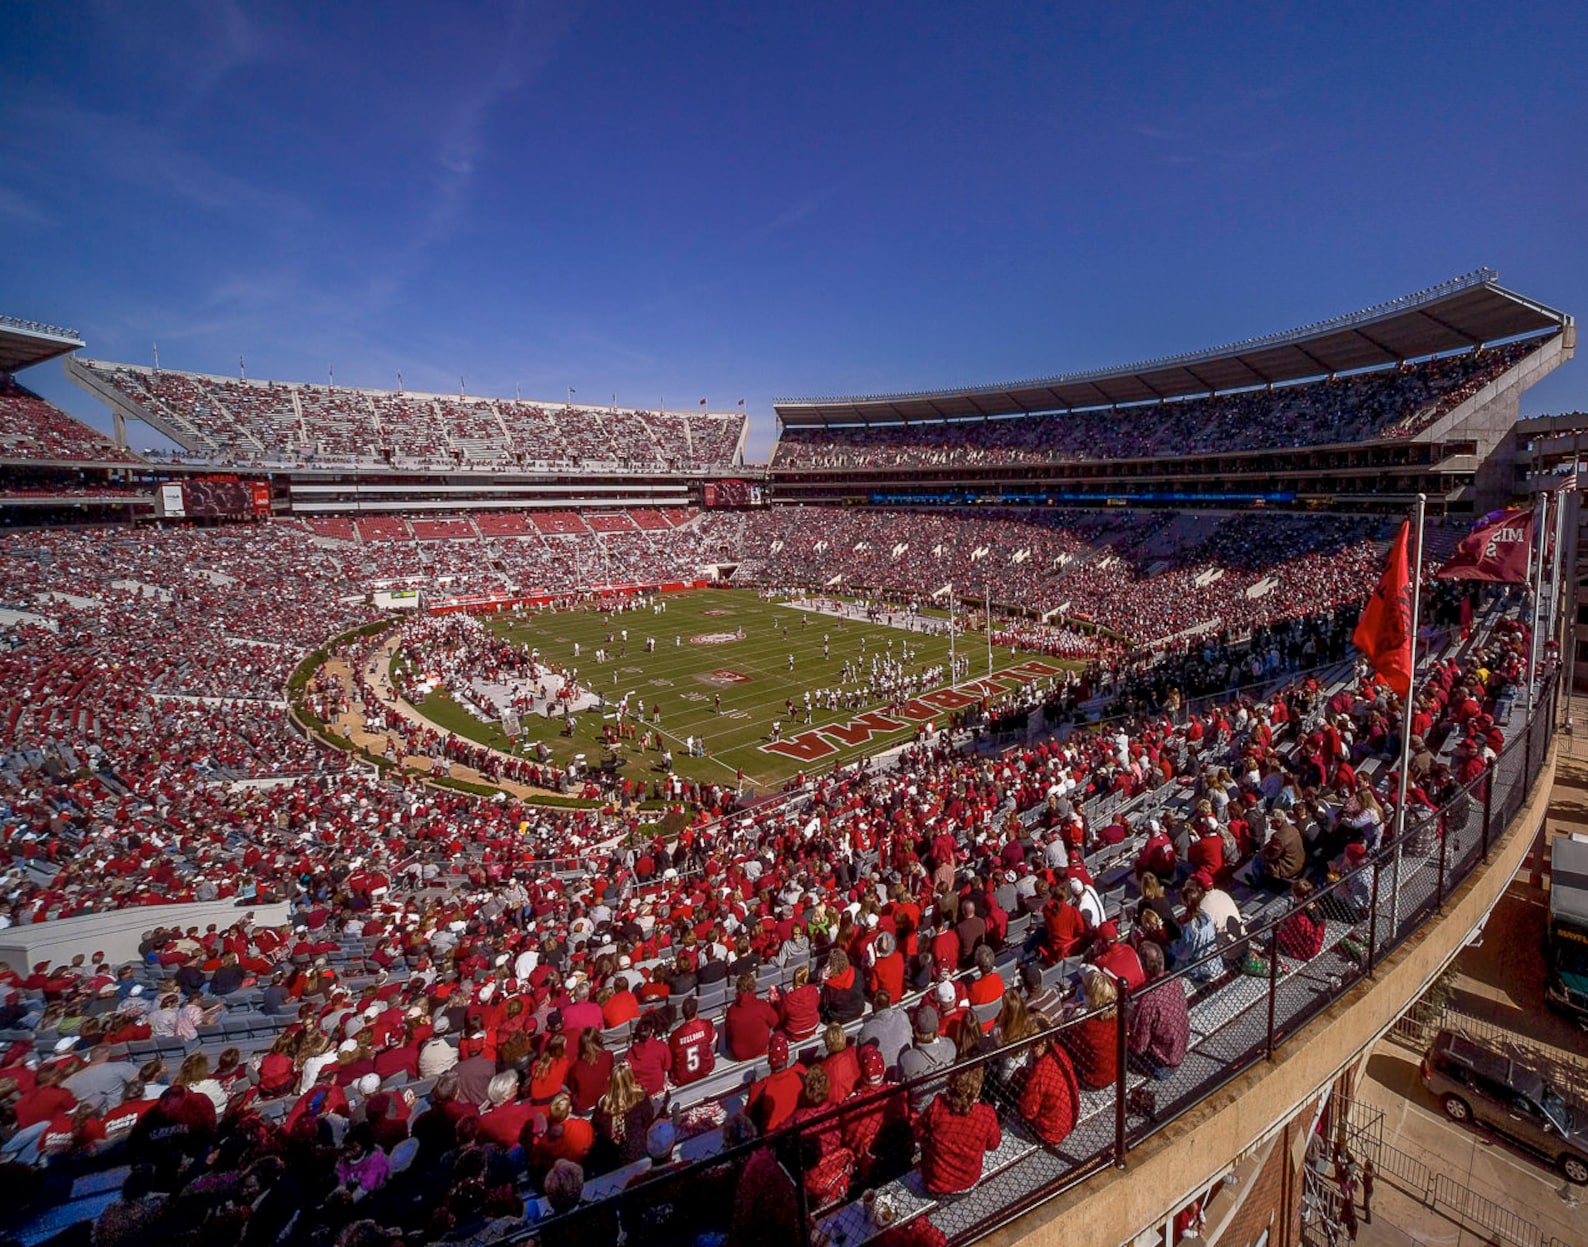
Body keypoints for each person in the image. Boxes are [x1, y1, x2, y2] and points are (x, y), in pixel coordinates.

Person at [918, 1066, 1001, 1197]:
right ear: (978, 1087)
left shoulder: (938, 1106)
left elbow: (919, 1132)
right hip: (968, 1184)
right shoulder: (986, 1114)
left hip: (936, 1185)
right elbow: (993, 1144)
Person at [1127, 943, 1189, 1080]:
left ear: (1143, 966)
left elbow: (1140, 1046)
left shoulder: (1149, 1000)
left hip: (1162, 1065)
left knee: (1120, 1050)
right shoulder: (1174, 980)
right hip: (1178, 1049)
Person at [1017, 1020, 1081, 1145]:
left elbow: (1029, 1111)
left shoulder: (1040, 1072)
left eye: (1032, 1044)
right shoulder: (1059, 1051)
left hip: (1049, 1132)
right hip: (1069, 1121)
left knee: (1019, 1079)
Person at [1060, 968, 1120, 1090]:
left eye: (1084, 987)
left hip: (1093, 1080)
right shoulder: (1117, 1014)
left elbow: (1073, 1047)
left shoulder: (1087, 1025)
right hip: (1115, 1070)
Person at [896, 1005, 957, 1115]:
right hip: (947, 1105)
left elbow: (899, 1083)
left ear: (916, 1029)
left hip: (922, 1113)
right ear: (937, 1026)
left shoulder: (906, 1059)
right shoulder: (950, 1046)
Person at [746, 1035, 806, 1133]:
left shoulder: (759, 1089)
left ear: (769, 1059)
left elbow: (748, 1118)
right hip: (797, 1131)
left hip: (771, 1139)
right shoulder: (800, 1073)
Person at [725, 975, 781, 1060]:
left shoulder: (731, 1011)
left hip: (740, 1054)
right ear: (753, 987)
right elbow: (776, 1022)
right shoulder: (762, 1005)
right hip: (760, 1049)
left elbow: (728, 1033)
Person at [668, 996, 717, 1087]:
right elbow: (713, 1044)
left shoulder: (675, 1035)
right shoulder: (706, 1025)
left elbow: (671, 1059)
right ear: (696, 1011)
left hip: (683, 1077)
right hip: (705, 1070)